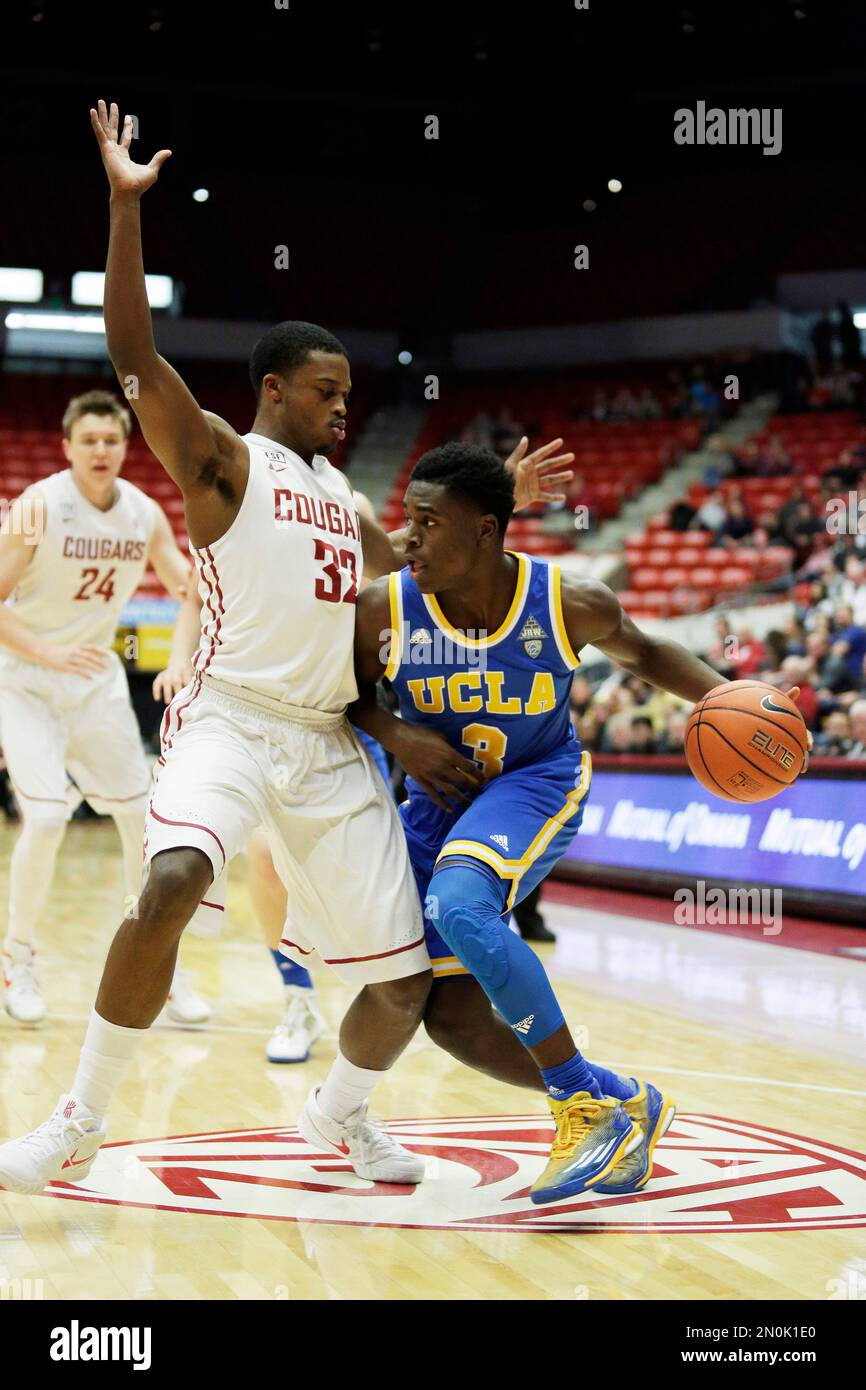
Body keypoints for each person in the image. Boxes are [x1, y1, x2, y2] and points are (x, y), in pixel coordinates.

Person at [0, 101, 571, 1197]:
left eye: (349, 395)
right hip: (228, 716)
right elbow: (132, 352)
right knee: (172, 876)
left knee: (402, 978)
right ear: (273, 389)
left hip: (329, 741)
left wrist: (500, 496)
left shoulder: (344, 502)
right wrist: (125, 210)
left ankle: (338, 1114)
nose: (343, 408)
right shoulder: (223, 462)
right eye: (326, 392)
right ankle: (79, 1119)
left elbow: (420, 569)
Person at [349, 442, 728, 1204]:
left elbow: (647, 651)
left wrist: (734, 694)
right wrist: (399, 736)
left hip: (534, 780)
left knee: (461, 904)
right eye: (408, 521)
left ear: (486, 531)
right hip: (439, 801)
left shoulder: (567, 601)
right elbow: (352, 697)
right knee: (453, 1020)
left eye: (428, 522)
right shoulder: (383, 607)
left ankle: (579, 1107)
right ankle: (626, 1102)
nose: (410, 538)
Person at [0, 388, 207, 1026]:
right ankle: (16, 957)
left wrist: (183, 655)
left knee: (141, 819)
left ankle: (154, 963)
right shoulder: (37, 507)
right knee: (45, 818)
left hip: (94, 680)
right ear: (67, 447)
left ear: (124, 447)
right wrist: (47, 651)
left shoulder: (143, 512)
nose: (100, 450)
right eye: (88, 440)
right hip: (24, 678)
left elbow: (190, 588)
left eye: (111, 440)